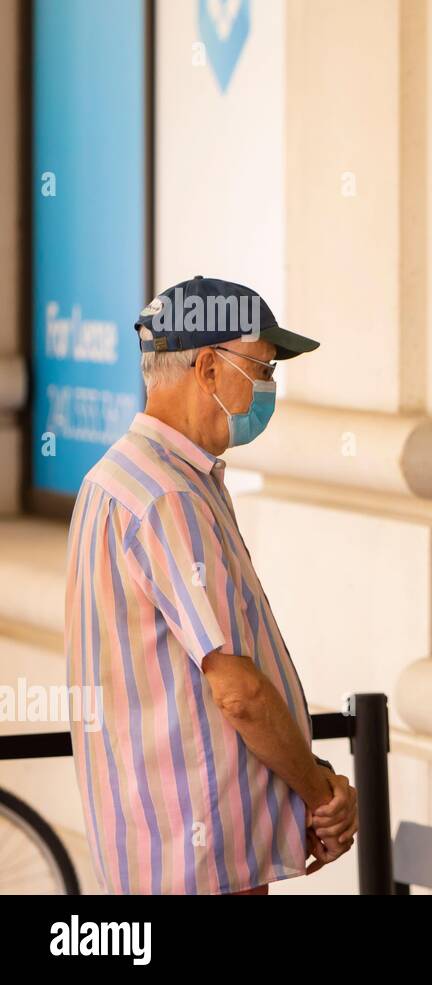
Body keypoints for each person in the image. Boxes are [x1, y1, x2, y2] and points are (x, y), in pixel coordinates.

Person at [65, 276, 357, 895]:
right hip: (202, 859)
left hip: (167, 851)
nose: (269, 388)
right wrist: (319, 793)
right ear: (205, 367)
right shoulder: (168, 495)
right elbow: (238, 693)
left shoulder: (122, 478)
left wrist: (309, 777)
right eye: (262, 367)